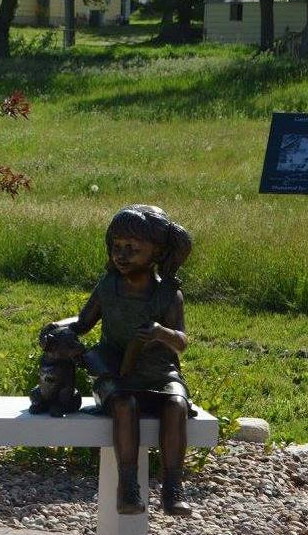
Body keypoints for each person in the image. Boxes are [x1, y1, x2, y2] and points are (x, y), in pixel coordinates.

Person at [45, 204, 195, 517]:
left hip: (159, 373)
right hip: (116, 373)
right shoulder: (107, 287)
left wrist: (159, 333)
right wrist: (57, 331)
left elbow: (181, 341)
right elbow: (83, 323)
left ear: (156, 252)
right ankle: (128, 486)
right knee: (124, 405)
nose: (122, 255)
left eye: (132, 248)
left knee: (176, 406)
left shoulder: (168, 295)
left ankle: (172, 486)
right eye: (117, 247)